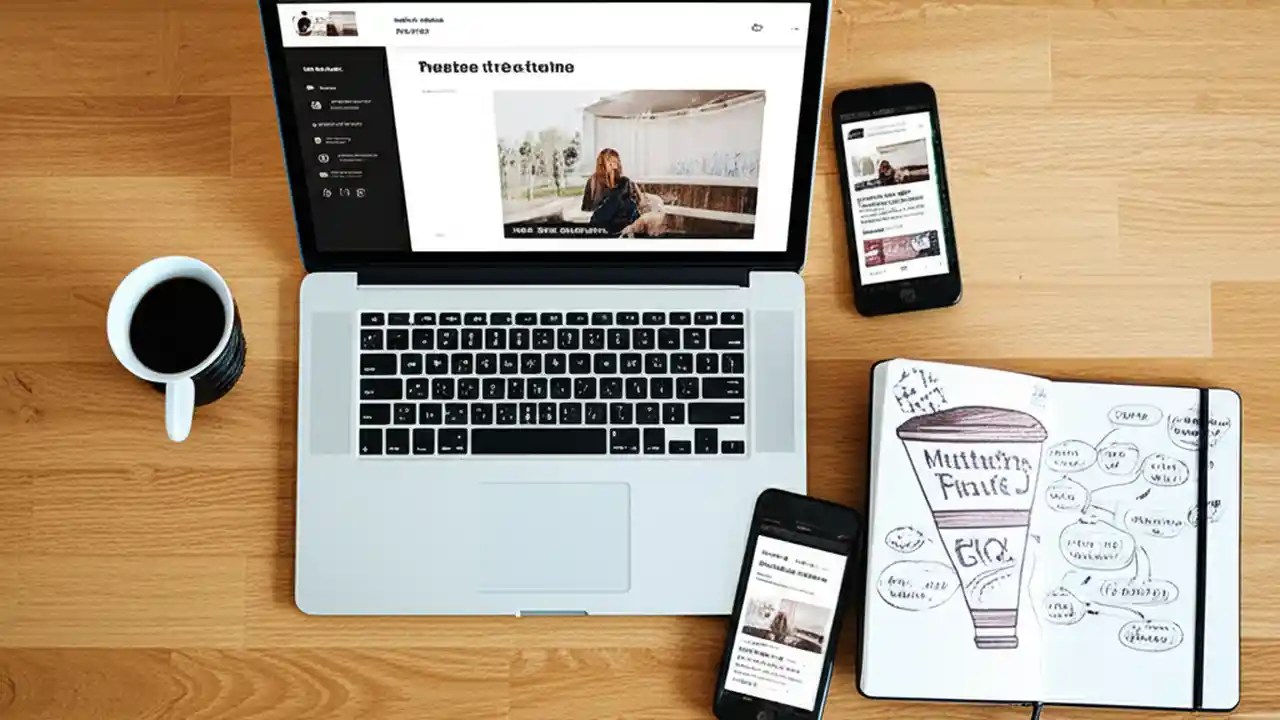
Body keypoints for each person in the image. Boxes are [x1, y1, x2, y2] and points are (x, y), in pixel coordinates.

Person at [581, 148, 641, 235]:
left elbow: (631, 205)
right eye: (609, 159)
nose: (613, 162)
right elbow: (588, 207)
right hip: (601, 219)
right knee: (617, 198)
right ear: (602, 163)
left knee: (629, 203)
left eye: (615, 159)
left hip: (620, 221)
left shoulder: (624, 182)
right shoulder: (594, 181)